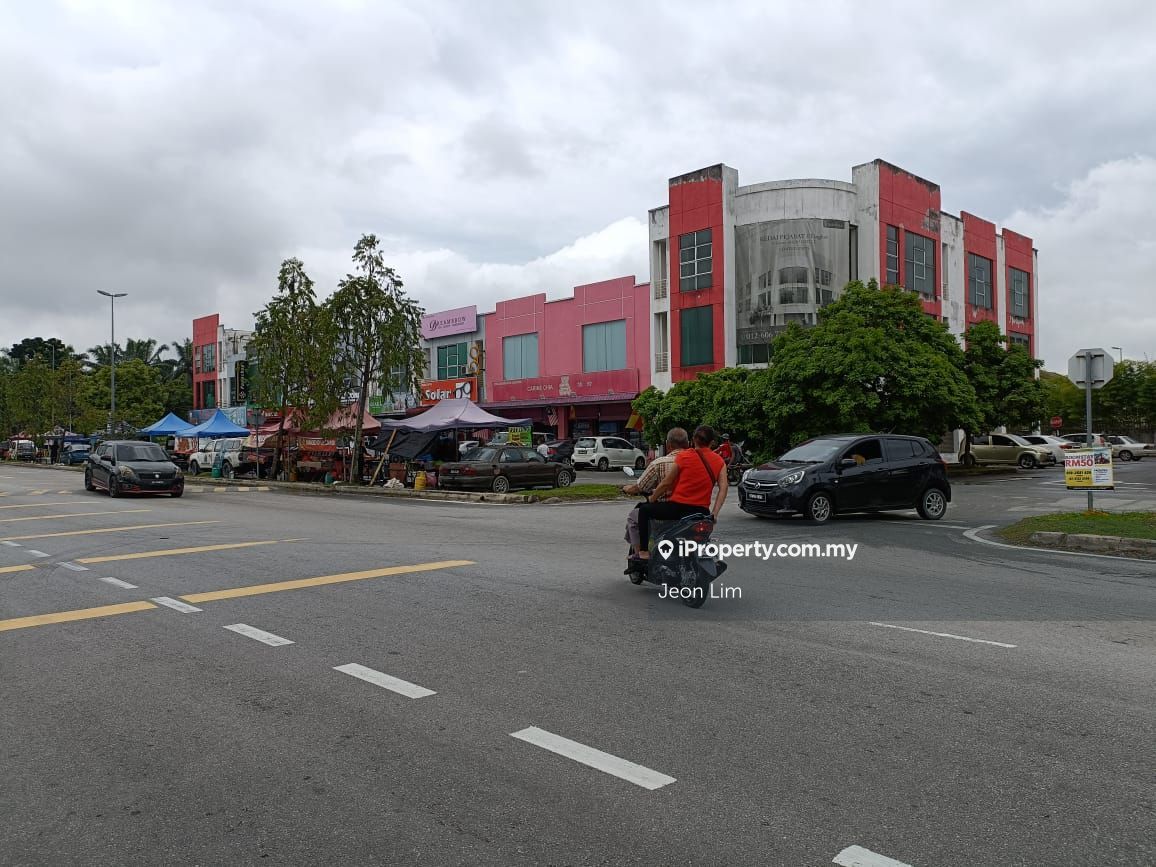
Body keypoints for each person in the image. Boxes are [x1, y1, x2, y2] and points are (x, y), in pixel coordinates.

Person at [636, 425, 728, 559]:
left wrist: (652, 498)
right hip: (701, 513)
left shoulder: (684, 456)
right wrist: (714, 514)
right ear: (712, 442)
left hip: (678, 510)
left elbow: (666, 483)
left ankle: (644, 551)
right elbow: (723, 488)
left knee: (644, 510)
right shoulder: (719, 461)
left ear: (693, 440)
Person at [622, 428, 688, 556]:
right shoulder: (696, 463)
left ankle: (640, 554)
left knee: (635, 516)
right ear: (688, 443)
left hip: (667, 510)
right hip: (693, 509)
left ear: (668, 445)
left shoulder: (659, 463)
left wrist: (628, 489)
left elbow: (641, 486)